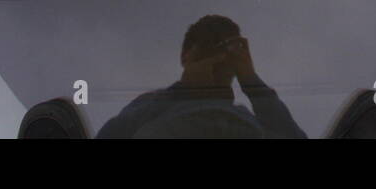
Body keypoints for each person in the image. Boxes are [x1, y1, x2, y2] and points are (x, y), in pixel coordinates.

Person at [96, 14, 306, 139]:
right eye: (208, 46)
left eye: (228, 48)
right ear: (184, 55)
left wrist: (251, 80)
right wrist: (183, 91)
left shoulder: (249, 120)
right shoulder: (152, 105)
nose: (219, 57)